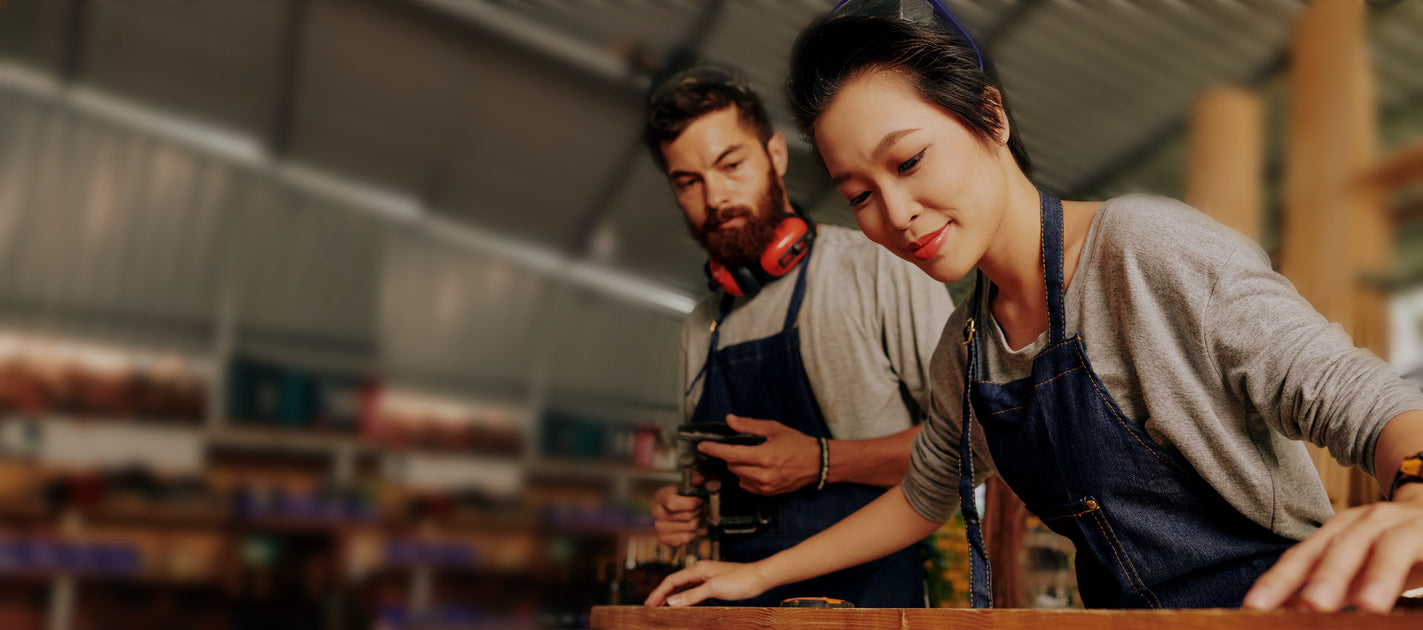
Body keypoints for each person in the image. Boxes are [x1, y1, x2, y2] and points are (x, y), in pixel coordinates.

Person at [645, 2, 1423, 612]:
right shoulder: (968, 345)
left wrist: (1415, 496)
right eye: (860, 196)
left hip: (1279, 613)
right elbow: (922, 498)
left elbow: (1359, 398)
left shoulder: (1145, 250)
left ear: (990, 117)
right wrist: (755, 577)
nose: (897, 212)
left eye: (909, 161)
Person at [641, 64, 956, 608]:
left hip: (869, 602)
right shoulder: (701, 325)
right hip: (735, 601)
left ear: (776, 155)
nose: (715, 197)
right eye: (688, 182)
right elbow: (701, 477)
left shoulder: (880, 267)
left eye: (731, 165)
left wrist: (823, 459)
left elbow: (970, 446)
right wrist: (681, 504)